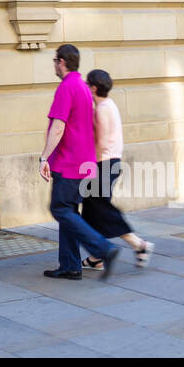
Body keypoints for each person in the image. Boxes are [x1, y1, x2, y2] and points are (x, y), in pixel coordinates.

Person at [39, 44, 119, 281]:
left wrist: (44, 157)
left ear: (62, 62)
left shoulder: (66, 88)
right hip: (85, 163)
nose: (54, 64)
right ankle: (70, 265)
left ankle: (103, 248)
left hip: (69, 163)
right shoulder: (84, 87)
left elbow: (58, 126)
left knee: (60, 209)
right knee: (69, 211)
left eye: (55, 60)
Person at [80, 69, 154, 270]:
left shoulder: (102, 108)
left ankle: (139, 245)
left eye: (87, 84)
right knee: (92, 211)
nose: (85, 87)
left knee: (102, 210)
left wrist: (88, 167)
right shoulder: (108, 104)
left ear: (94, 88)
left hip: (103, 164)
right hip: (110, 163)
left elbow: (102, 143)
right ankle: (96, 257)